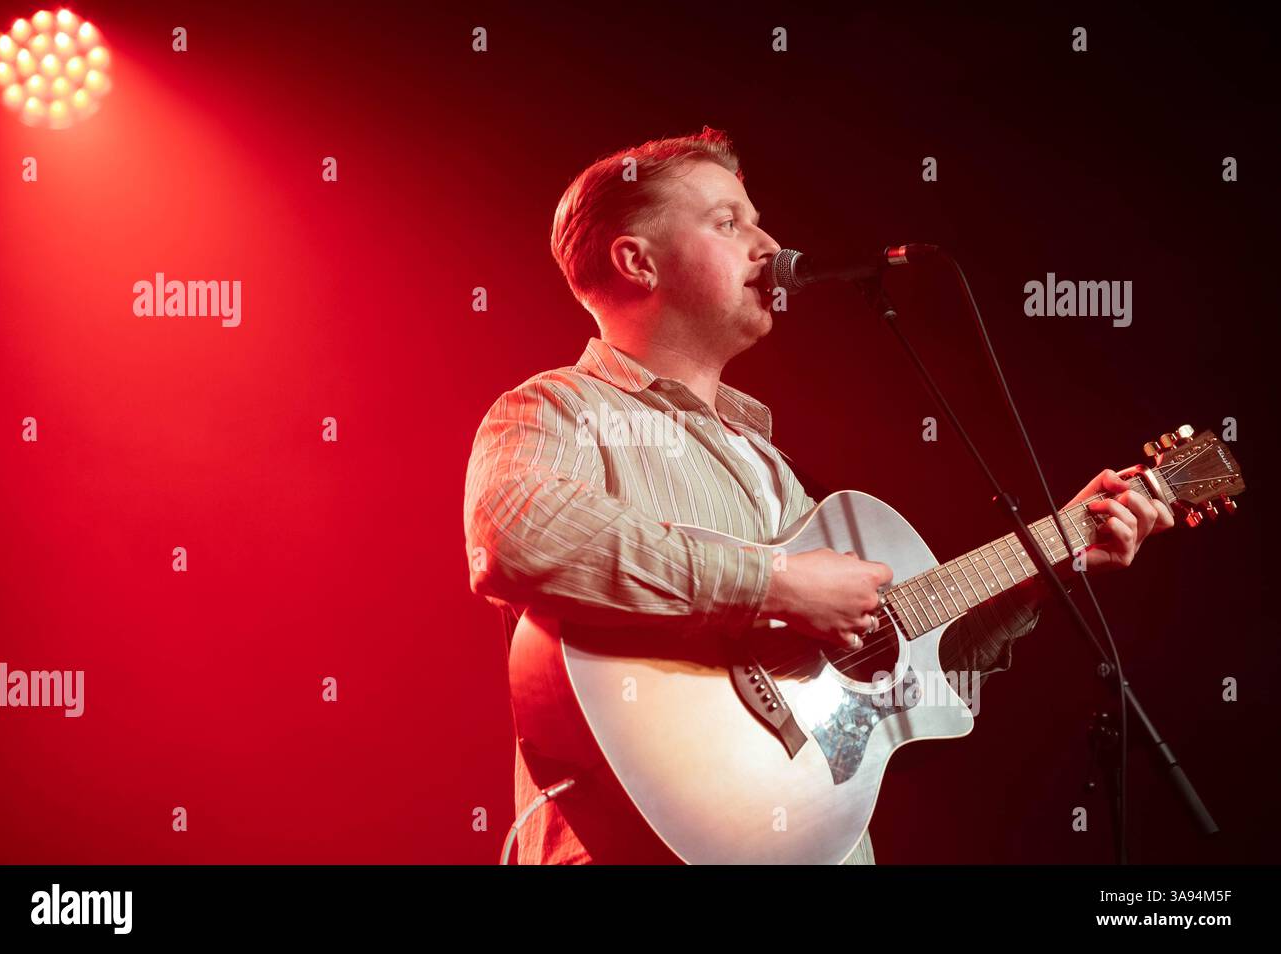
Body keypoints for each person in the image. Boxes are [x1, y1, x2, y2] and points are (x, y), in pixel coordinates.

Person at [462, 126, 1174, 864]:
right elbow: (518, 537)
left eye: (759, 219)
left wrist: (1048, 564)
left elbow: (920, 692)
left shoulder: (776, 466)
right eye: (729, 222)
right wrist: (774, 584)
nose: (769, 245)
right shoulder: (559, 408)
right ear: (637, 261)